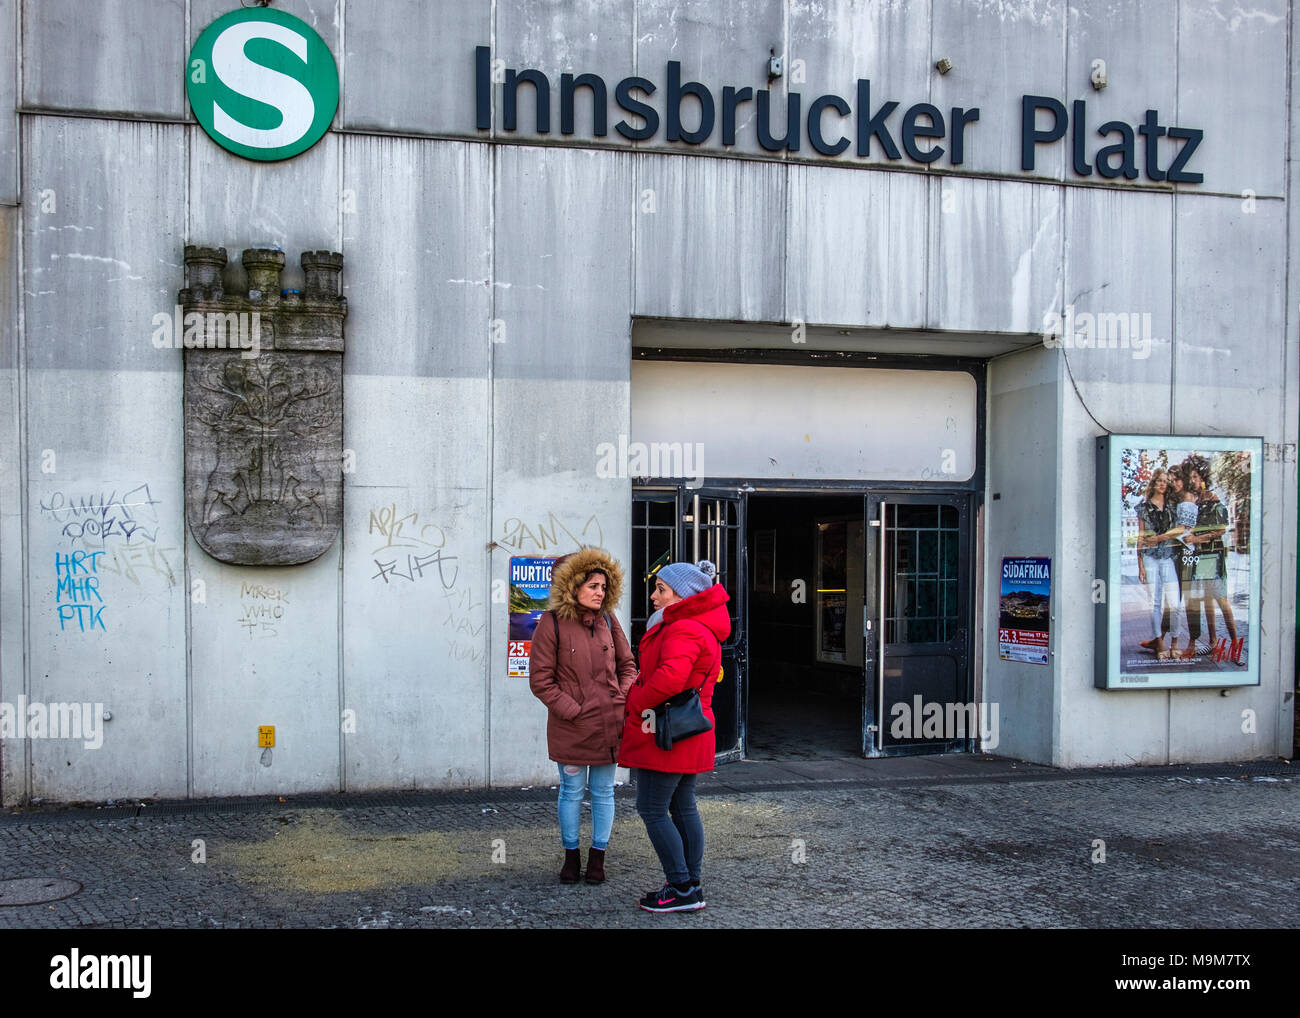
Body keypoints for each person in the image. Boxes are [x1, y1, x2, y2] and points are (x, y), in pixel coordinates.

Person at [619, 559, 730, 913]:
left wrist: (635, 700)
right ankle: (690, 885)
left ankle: (681, 886)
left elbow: (670, 678)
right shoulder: (700, 625)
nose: (653, 595)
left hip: (668, 731)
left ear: (682, 595)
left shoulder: (685, 628)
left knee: (652, 808)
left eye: (661, 590)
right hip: (688, 730)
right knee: (683, 807)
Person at [528, 547, 637, 884]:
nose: (599, 593)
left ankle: (598, 859)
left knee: (604, 792)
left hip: (608, 725)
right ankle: (571, 857)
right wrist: (572, 710)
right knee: (571, 791)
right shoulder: (551, 624)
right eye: (592, 586)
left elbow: (628, 665)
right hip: (572, 727)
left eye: (603, 587)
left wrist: (620, 696)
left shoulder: (608, 620)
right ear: (572, 587)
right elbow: (541, 680)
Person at [1134, 468, 1186, 659]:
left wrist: (1160, 538)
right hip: (1149, 557)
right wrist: (1139, 564)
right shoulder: (1144, 507)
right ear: (1154, 483)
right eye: (1159, 481)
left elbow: (1181, 529)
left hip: (1167, 556)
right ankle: (1160, 643)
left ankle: (1175, 642)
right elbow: (1140, 536)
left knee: (1174, 602)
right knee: (1155, 602)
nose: (1163, 484)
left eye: (1165, 481)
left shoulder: (1173, 505)